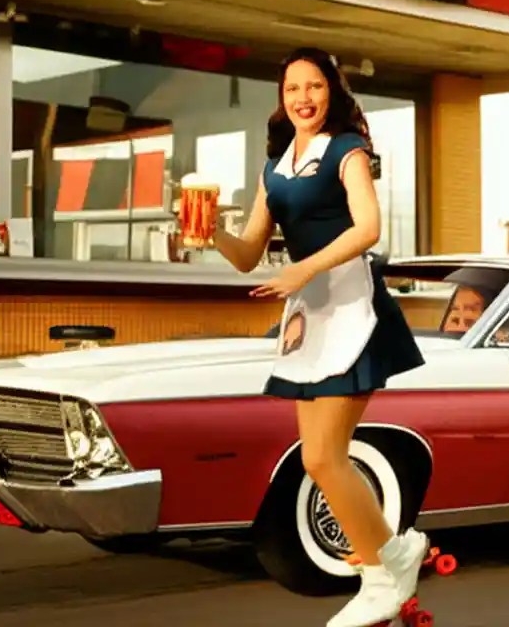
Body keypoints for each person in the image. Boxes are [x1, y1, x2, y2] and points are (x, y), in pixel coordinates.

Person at [213, 47, 428, 627]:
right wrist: (207, 228)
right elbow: (248, 254)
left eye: (314, 87)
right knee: (318, 461)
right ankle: (396, 552)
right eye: (292, 90)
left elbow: (369, 227)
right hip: (309, 317)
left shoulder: (347, 151)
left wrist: (304, 268)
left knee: (324, 457)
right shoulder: (275, 167)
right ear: (281, 99)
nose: (303, 98)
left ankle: (383, 573)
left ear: (331, 91)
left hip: (354, 309)